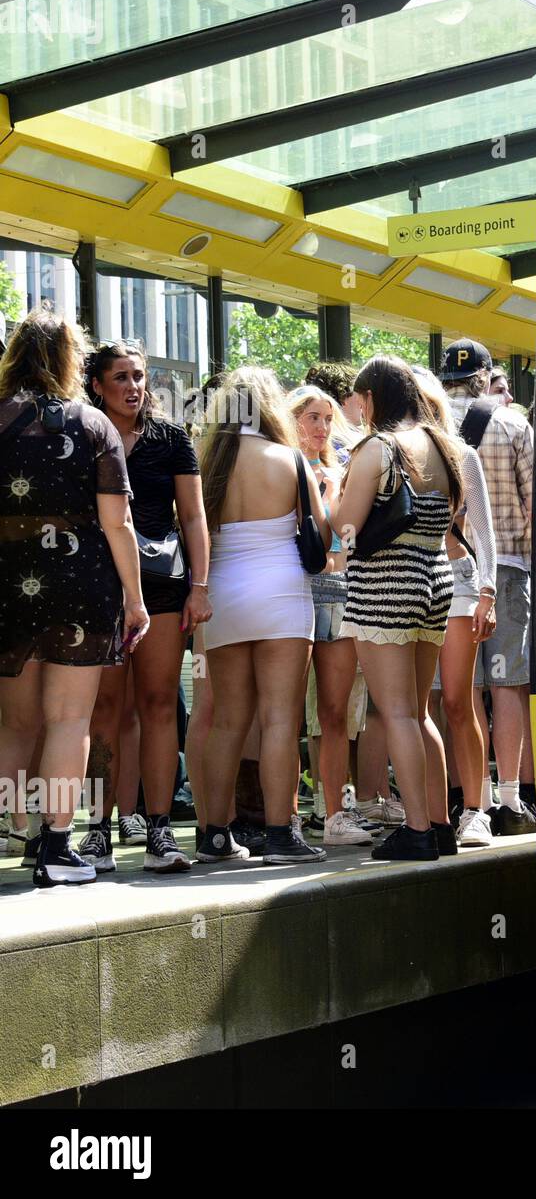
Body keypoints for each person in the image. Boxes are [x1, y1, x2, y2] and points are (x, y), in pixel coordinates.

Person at [0, 309, 149, 886]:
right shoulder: (93, 426)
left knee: (14, 723)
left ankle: (19, 826)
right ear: (71, 361)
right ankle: (57, 849)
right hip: (79, 583)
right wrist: (135, 599)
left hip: (8, 583)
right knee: (68, 719)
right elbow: (119, 524)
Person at [79, 340, 211, 875]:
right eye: (121, 378)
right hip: (98, 590)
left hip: (161, 589)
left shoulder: (172, 439)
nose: (134, 387)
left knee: (160, 704)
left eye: (139, 376)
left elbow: (195, 518)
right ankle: (96, 833)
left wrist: (200, 586)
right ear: (97, 386)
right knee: (104, 713)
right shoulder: (84, 437)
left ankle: (160, 831)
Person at [331, 355, 464, 860]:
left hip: (386, 582)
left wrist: (328, 498)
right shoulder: (441, 446)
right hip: (436, 577)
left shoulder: (379, 449)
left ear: (372, 398)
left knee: (397, 712)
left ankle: (415, 831)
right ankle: (440, 823)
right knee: (421, 710)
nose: (357, 413)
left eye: (359, 402)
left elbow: (346, 529)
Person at [198, 367, 328, 865]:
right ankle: (279, 834)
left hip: (224, 595)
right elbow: (322, 529)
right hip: (281, 593)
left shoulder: (210, 462)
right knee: (279, 720)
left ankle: (214, 833)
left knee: (228, 721)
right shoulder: (289, 459)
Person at [438, 339, 536, 835]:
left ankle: (464, 798)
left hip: (448, 567)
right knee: (507, 682)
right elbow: (534, 499)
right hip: (509, 567)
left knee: (460, 691)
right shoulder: (513, 423)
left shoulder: (431, 428)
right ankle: (511, 800)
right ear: (486, 374)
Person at [287, 384, 374, 847]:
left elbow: (344, 533)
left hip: (339, 587)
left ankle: (335, 812)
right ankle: (289, 817)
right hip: (297, 590)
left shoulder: (338, 469)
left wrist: (334, 491)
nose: (321, 427)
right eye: (311, 417)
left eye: (325, 418)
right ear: (292, 420)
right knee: (287, 714)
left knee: (335, 712)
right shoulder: (283, 466)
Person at [417, 371, 499, 848]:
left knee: (456, 700)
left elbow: (485, 533)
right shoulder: (390, 454)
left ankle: (477, 809)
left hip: (459, 581)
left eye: (424, 405)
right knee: (418, 706)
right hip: (409, 585)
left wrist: (489, 593)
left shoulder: (462, 456)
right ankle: (431, 816)